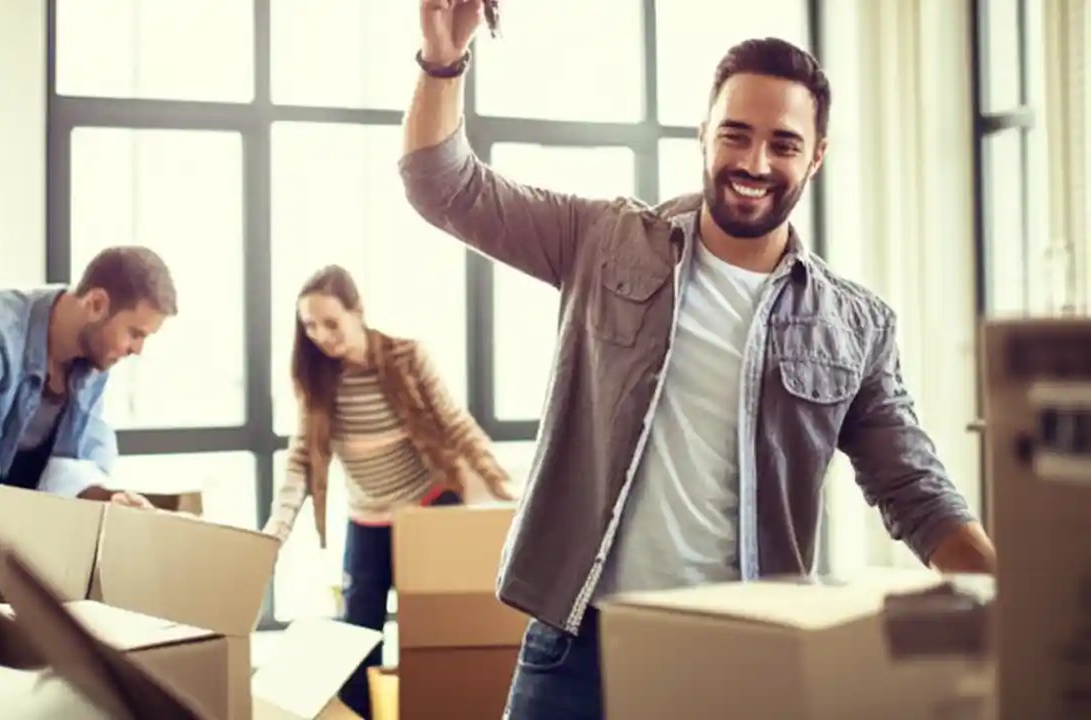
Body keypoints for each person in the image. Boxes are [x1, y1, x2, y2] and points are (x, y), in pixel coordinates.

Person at [400, 4, 998, 719]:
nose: (754, 163)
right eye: (736, 136)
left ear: (816, 155)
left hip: (744, 660)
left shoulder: (855, 326)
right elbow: (446, 187)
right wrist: (442, 59)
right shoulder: (604, 241)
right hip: (579, 649)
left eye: (783, 143)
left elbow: (919, 496)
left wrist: (1028, 624)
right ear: (703, 137)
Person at [262, 264, 515, 718]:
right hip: (368, 519)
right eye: (310, 325)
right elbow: (303, 459)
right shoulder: (315, 378)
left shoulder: (406, 356)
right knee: (358, 636)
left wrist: (505, 489)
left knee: (440, 626)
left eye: (331, 322)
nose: (321, 335)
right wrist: (277, 527)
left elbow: (456, 425)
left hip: (429, 509)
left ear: (358, 312)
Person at [0, 246, 179, 534]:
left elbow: (68, 468)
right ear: (96, 304)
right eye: (135, 333)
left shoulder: (95, 361)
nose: (138, 350)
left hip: (1, 493)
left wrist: (109, 501)